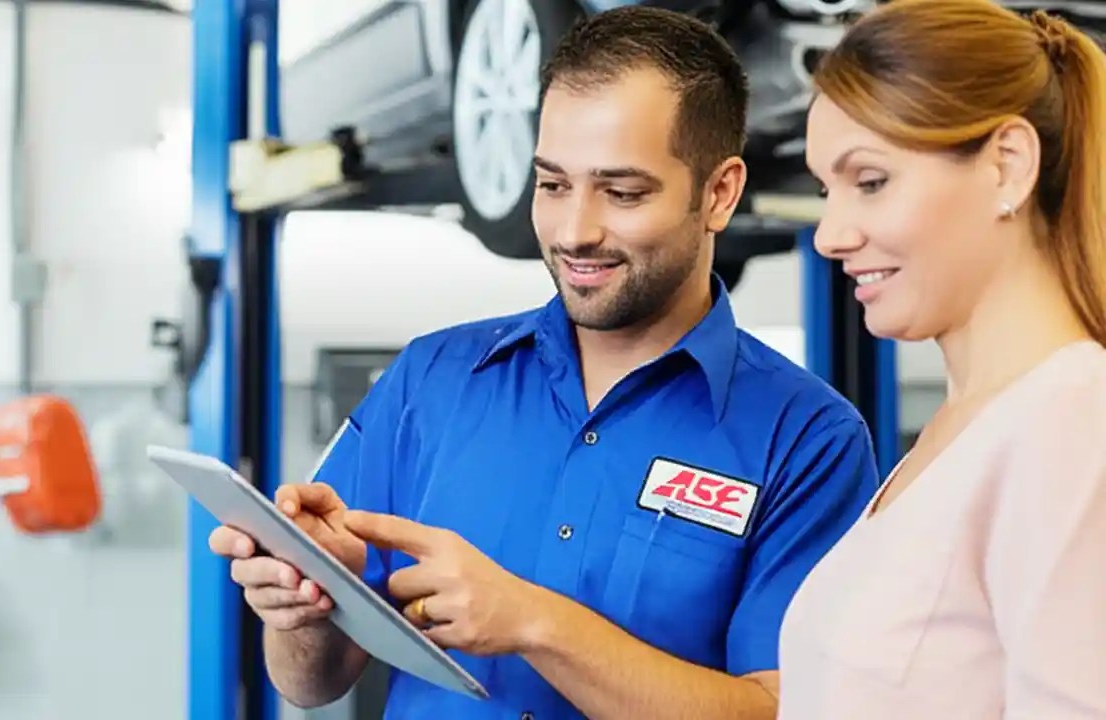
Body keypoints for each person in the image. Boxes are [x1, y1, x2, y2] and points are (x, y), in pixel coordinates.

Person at [211, 6, 881, 719]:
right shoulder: (431, 382)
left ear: (719, 192)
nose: (573, 231)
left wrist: (533, 621)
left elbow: (782, 710)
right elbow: (309, 683)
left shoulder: (808, 440)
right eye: (552, 184)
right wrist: (305, 604)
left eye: (621, 192)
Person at [779, 1, 1106, 718]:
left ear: (1008, 168)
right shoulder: (964, 433)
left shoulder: (1071, 423)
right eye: (824, 190)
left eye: (869, 182)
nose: (831, 234)